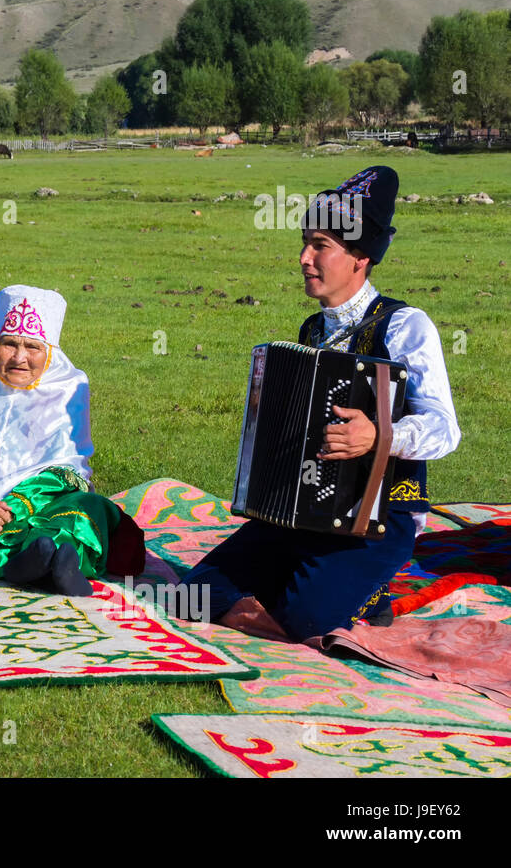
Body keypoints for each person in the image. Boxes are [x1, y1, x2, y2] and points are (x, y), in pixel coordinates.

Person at [181, 165, 461, 642]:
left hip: (378, 516)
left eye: (320, 246)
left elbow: (444, 429)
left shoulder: (404, 325)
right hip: (303, 512)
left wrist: (379, 436)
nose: (304, 258)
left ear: (360, 257)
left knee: (305, 618)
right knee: (191, 595)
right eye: (305, 243)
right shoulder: (312, 331)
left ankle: (351, 599)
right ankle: (315, 602)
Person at [0, 285, 134, 595]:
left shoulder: (67, 392)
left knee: (88, 508)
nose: (19, 358)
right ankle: (34, 564)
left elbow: (66, 475)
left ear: (49, 353)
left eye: (32, 347)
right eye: (10, 344)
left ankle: (55, 563)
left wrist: (9, 512)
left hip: (45, 505)